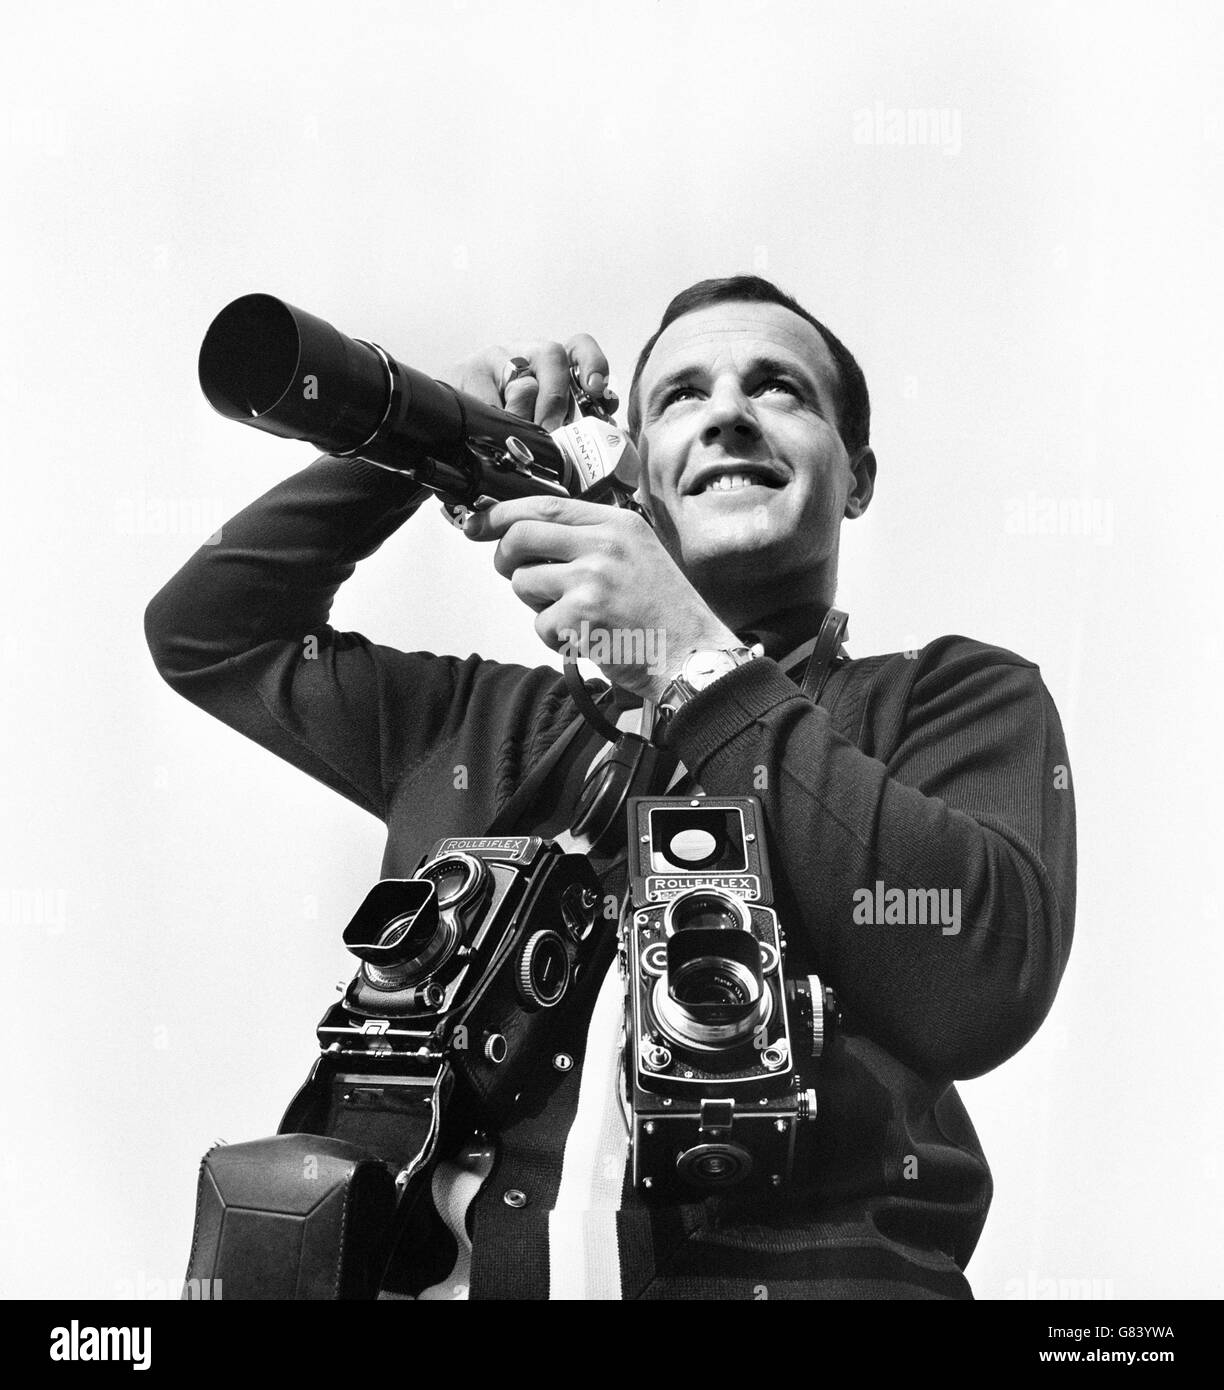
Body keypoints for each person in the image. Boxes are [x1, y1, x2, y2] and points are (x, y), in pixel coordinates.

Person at [145, 275, 1076, 1299]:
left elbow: (980, 981)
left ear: (855, 477)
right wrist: (425, 440)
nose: (726, 411)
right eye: (680, 396)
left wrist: (694, 662)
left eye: (778, 390)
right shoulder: (480, 727)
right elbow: (209, 633)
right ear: (637, 477)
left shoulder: (951, 699)